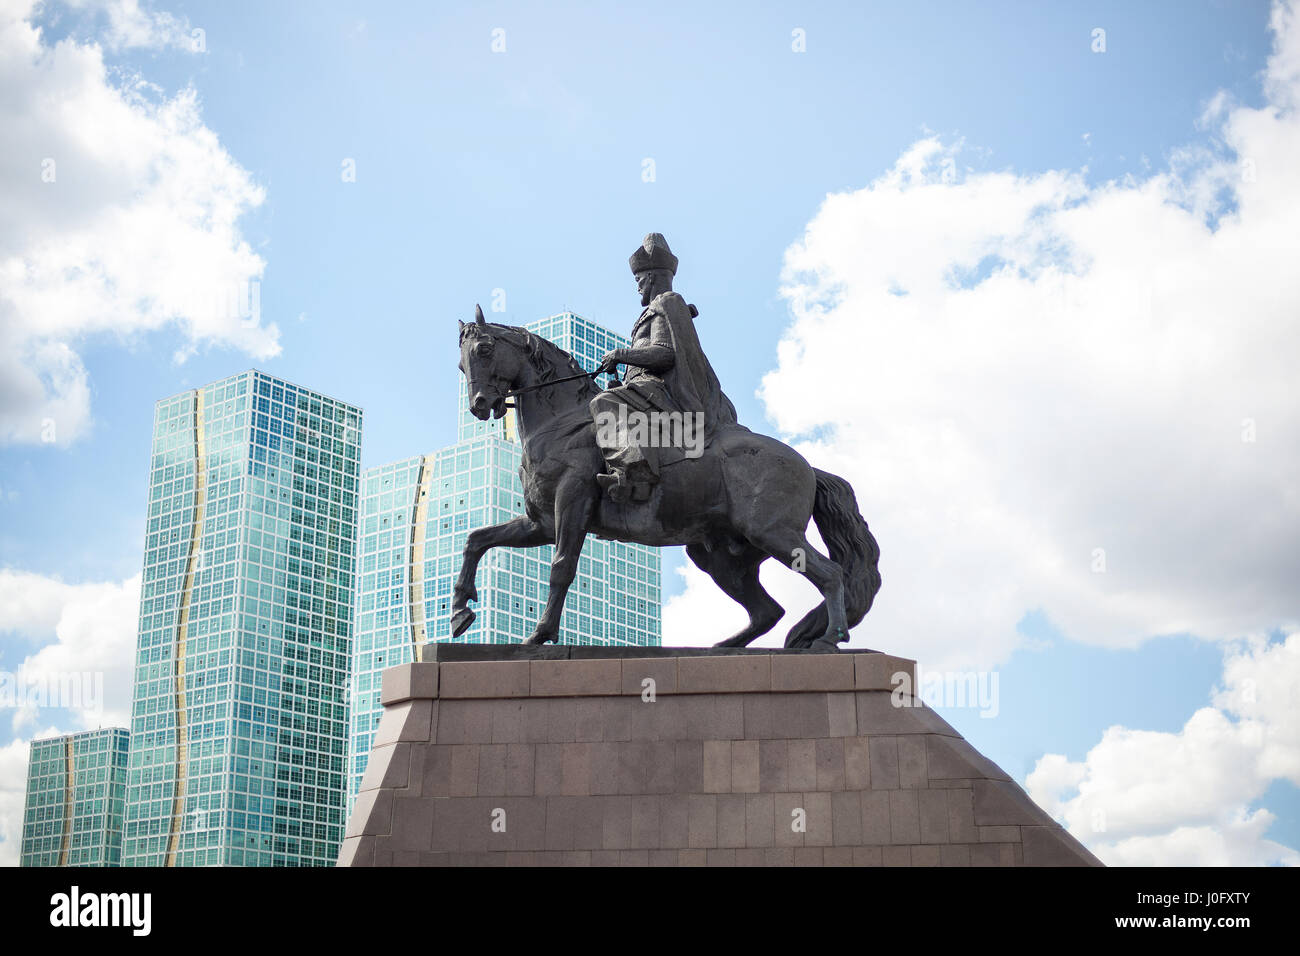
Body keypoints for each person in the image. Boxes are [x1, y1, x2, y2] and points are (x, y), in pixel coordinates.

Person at [589, 233, 738, 502]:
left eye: (638, 280)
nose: (636, 286)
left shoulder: (667, 303)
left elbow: (665, 355)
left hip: (660, 390)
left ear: (652, 277)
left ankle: (634, 471)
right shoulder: (656, 308)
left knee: (604, 402)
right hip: (644, 386)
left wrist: (621, 354)